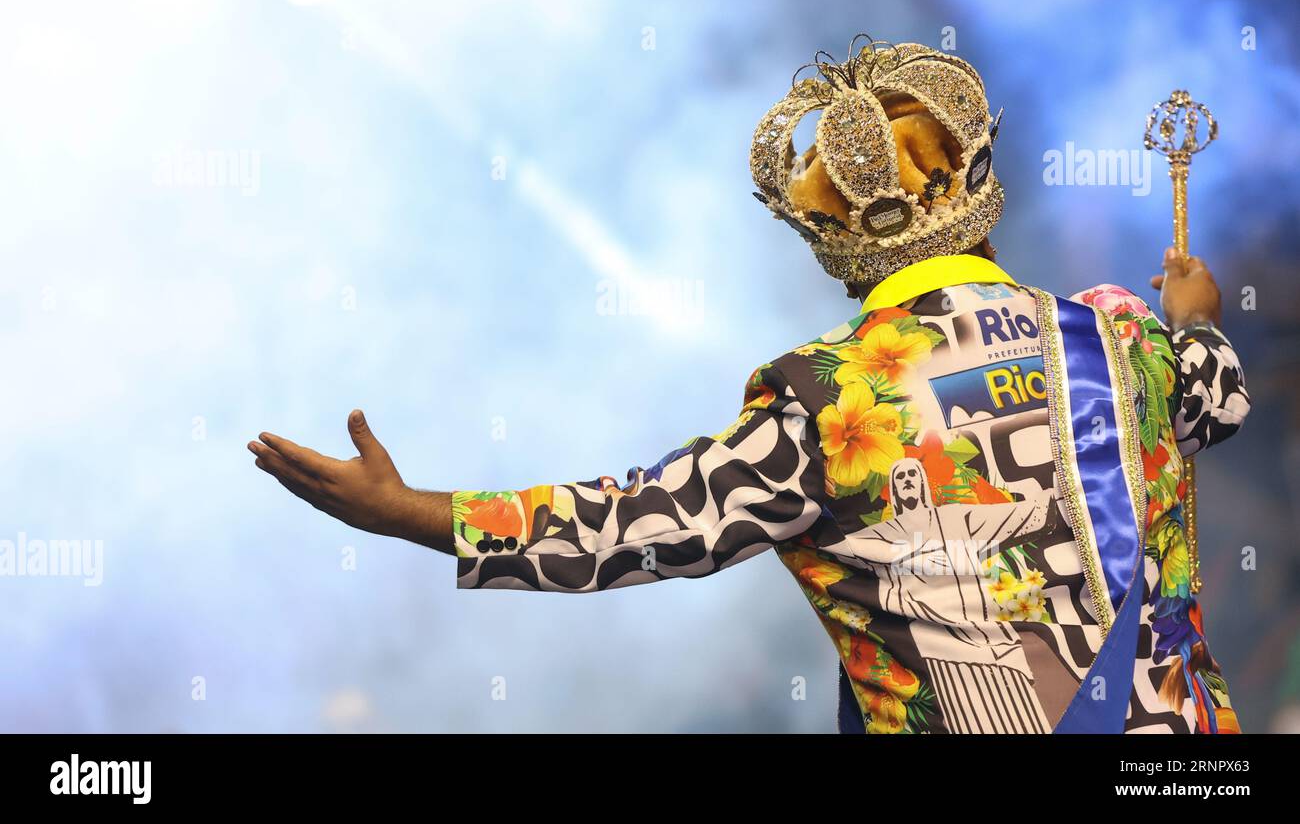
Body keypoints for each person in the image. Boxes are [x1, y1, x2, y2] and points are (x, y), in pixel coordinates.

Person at [247, 39, 1249, 733]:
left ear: (841, 254)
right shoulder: (1126, 334)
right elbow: (1214, 390)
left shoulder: (828, 407)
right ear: (979, 201)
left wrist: (410, 511)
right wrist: (1191, 314)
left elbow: (635, 527)